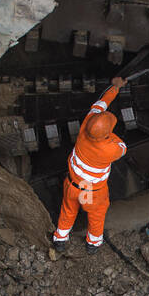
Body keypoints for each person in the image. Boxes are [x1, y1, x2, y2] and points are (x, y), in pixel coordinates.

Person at [52, 75, 127, 253]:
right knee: (96, 215)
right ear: (107, 134)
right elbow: (123, 147)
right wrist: (117, 87)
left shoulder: (88, 122)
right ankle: (93, 244)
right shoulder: (110, 149)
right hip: (91, 191)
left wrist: (113, 88)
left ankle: (60, 239)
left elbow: (101, 104)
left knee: (69, 209)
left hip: (72, 185)